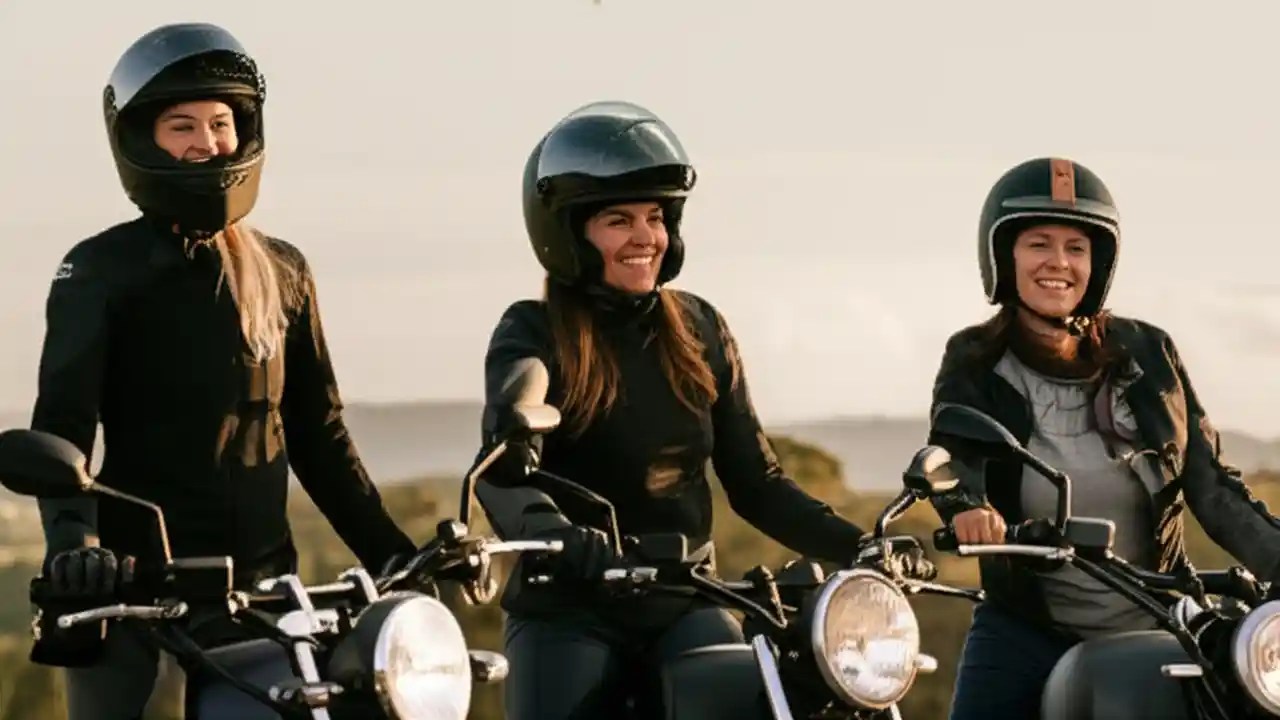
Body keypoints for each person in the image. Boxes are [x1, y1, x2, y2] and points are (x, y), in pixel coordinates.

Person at [470, 100, 933, 719]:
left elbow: (758, 482)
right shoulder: (533, 330)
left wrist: (861, 548)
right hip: (572, 609)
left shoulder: (699, 329)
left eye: (656, 217)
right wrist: (562, 538)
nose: (645, 238)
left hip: (686, 599)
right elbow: (504, 463)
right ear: (569, 233)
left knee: (754, 696)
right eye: (618, 220)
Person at [28, 22, 415, 719]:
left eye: (222, 122)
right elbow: (61, 432)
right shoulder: (99, 270)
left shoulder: (283, 270)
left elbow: (319, 435)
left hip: (263, 595)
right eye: (184, 126)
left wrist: (396, 554)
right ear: (141, 140)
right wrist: (74, 548)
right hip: (132, 595)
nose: (208, 143)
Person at [926, 156, 1280, 719]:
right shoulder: (974, 359)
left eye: (1077, 248)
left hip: (1160, 621)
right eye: (1038, 244)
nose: (1058, 263)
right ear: (1003, 256)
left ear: (1099, 263)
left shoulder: (1150, 354)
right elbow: (953, 457)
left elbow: (1213, 489)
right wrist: (968, 509)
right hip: (1026, 630)